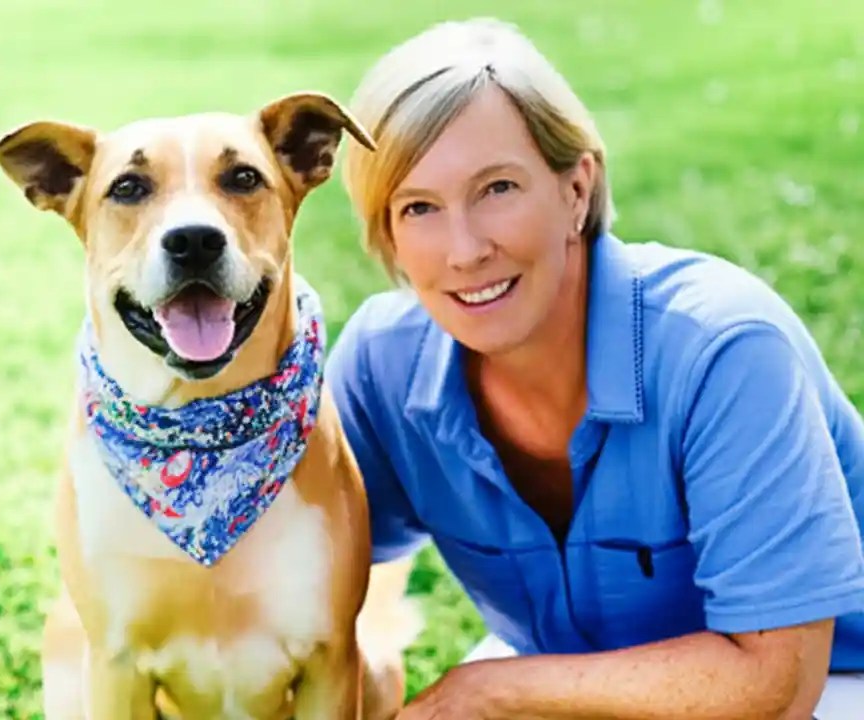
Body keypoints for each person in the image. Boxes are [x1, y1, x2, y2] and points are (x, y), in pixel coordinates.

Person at [327, 17, 864, 719]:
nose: (463, 250)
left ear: (576, 188)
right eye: (419, 207)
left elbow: (776, 686)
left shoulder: (723, 347)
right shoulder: (380, 367)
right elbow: (289, 567)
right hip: (592, 680)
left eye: (497, 189)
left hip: (833, 680)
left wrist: (491, 692)